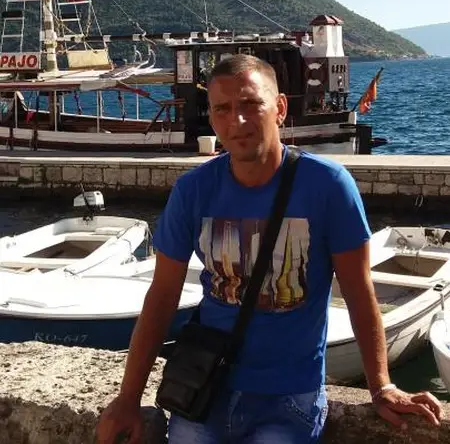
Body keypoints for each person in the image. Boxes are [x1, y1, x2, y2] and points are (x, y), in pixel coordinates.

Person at [96, 54, 442, 444]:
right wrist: (128, 398)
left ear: (279, 108)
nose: (237, 120)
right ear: (211, 118)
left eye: (250, 104)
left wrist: (381, 386)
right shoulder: (193, 190)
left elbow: (359, 292)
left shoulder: (327, 186)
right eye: (223, 109)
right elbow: (162, 295)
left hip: (290, 398)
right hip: (207, 389)